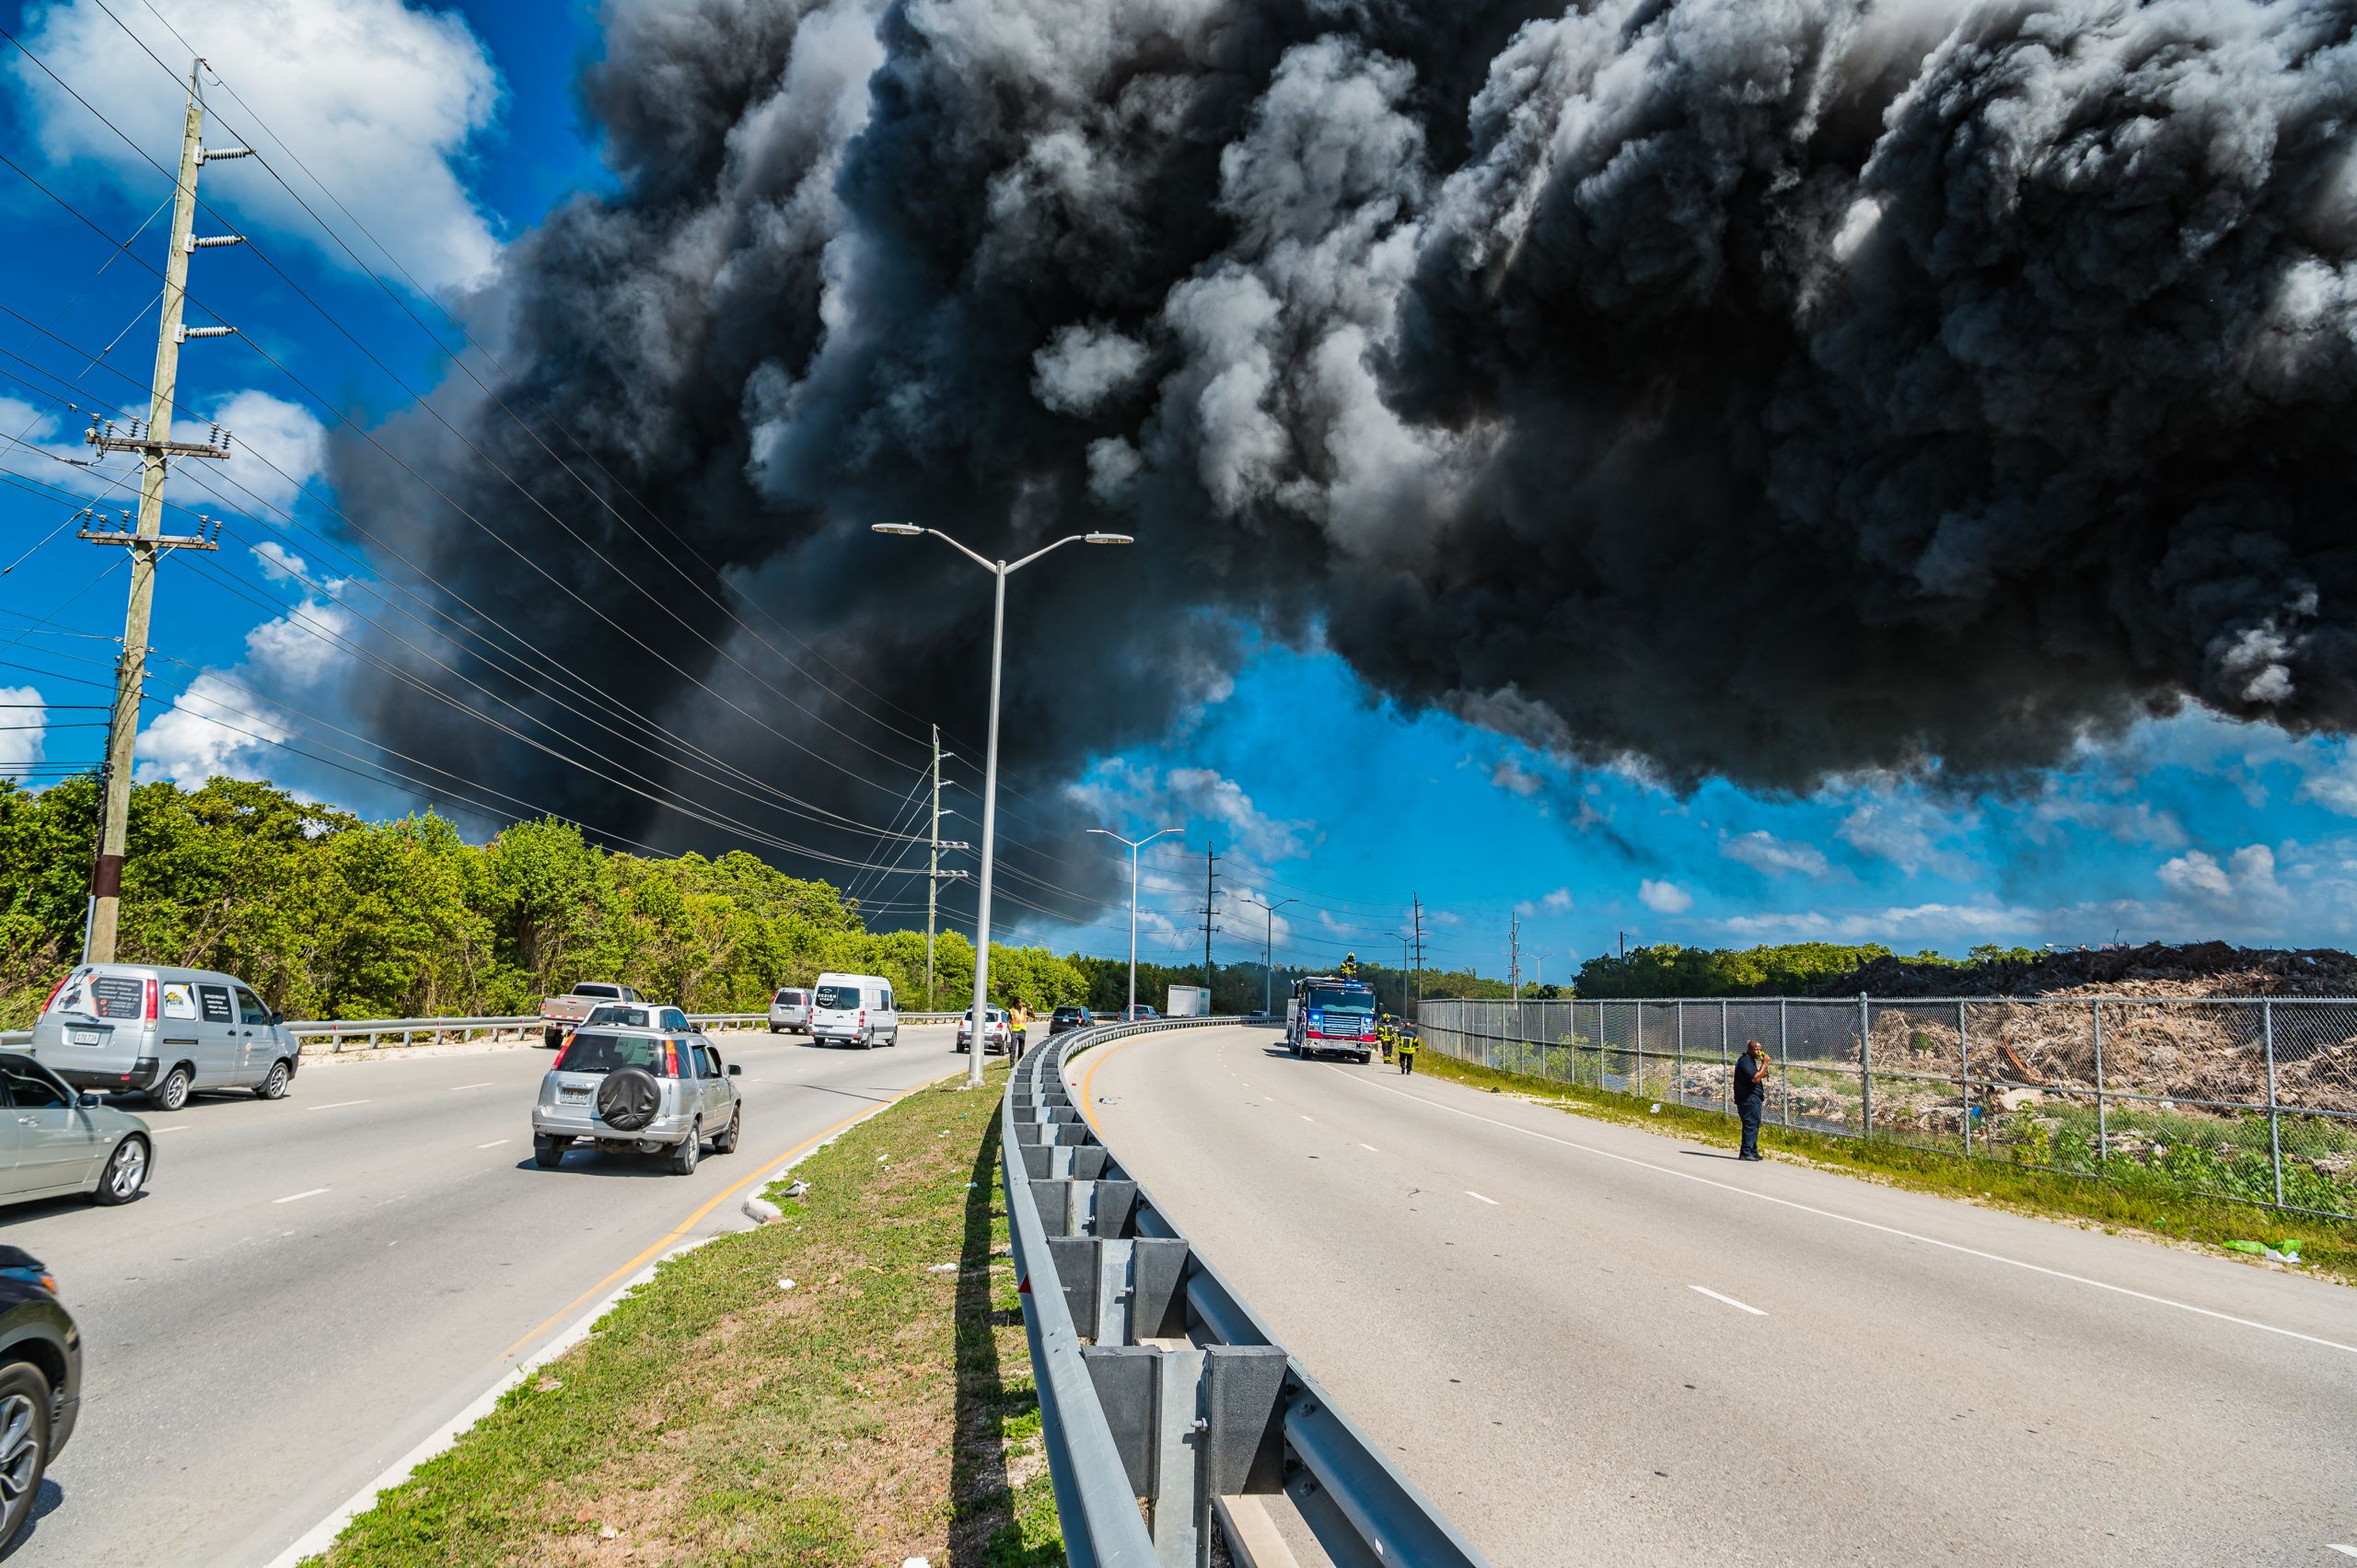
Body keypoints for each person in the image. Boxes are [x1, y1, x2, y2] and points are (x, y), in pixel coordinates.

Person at [1733, 1039, 1770, 1160]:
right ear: (1749, 1049)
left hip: (1752, 1097)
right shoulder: (1745, 1061)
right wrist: (1765, 1063)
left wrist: (1763, 1071)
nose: (1759, 1052)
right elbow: (1755, 1078)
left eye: (1760, 1049)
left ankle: (1753, 1150)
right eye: (1756, 1049)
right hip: (1748, 1098)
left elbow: (1755, 1076)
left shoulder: (1750, 1061)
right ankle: (1745, 1152)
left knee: (1755, 1123)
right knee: (1750, 1123)